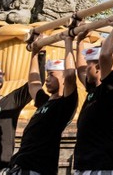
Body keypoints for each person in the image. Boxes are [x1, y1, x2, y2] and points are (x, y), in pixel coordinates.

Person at [8, 35, 78, 174]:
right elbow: (33, 85)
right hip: (21, 165)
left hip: (39, 167)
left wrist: (68, 41)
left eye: (52, 74)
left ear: (63, 77)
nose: (47, 79)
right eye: (47, 75)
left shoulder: (65, 104)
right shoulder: (45, 102)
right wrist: (35, 53)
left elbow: (70, 75)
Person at [73, 16, 113, 174]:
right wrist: (79, 41)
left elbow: (105, 56)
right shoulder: (92, 89)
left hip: (104, 164)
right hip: (85, 164)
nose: (86, 67)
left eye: (89, 63)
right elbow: (80, 69)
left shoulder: (111, 87)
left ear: (98, 67)